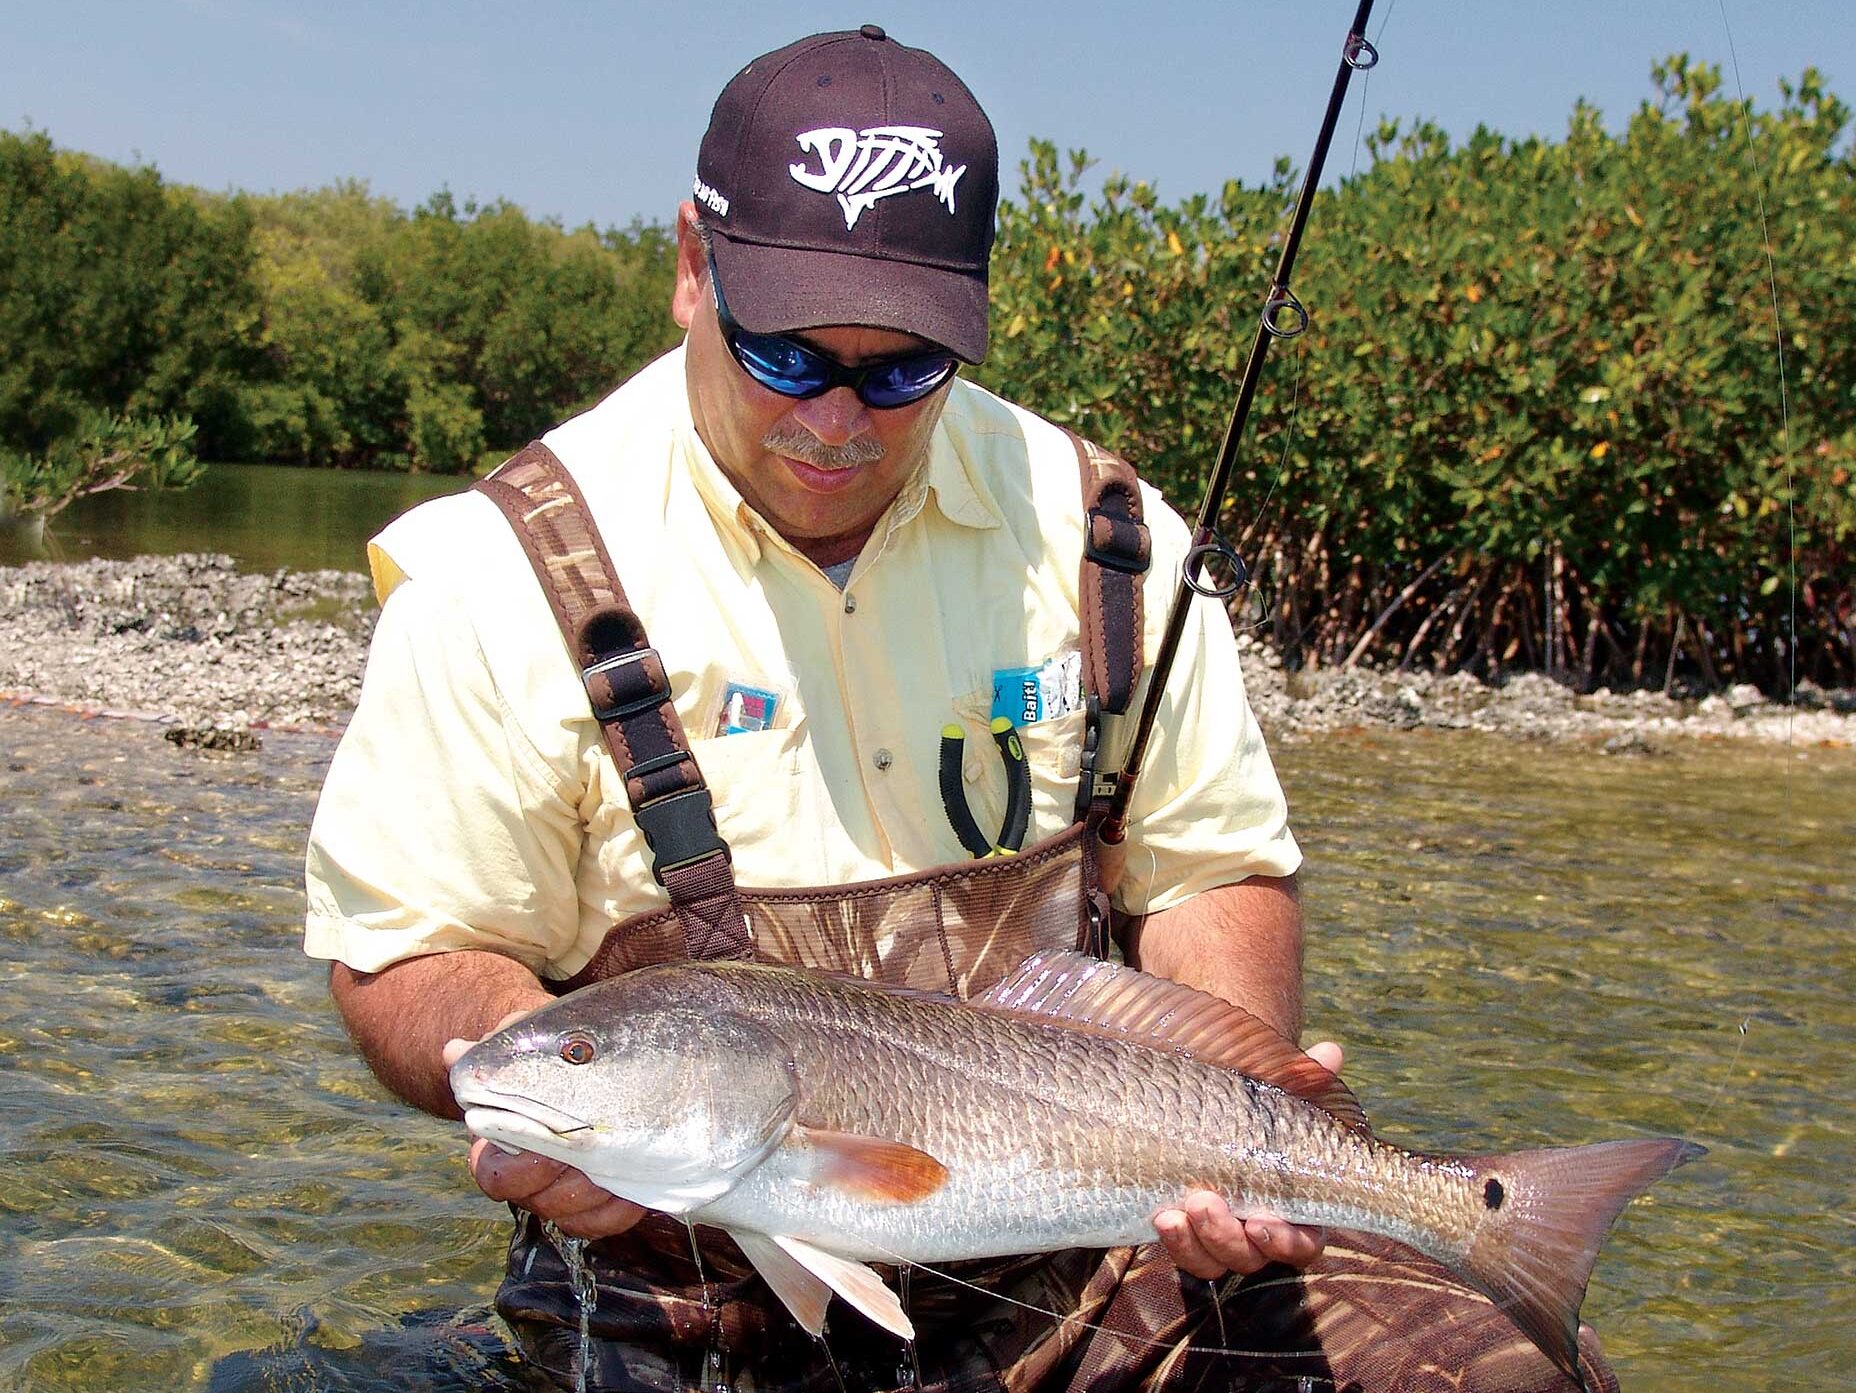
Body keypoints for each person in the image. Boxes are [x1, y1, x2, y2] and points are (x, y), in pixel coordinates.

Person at [305, 26, 1614, 1393]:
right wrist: (551, 1112)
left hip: (1107, 1252)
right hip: (683, 1280)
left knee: (1508, 1373)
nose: (841, 421)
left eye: (905, 369)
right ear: (694, 265)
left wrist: (1243, 1118)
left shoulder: (1108, 537)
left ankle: (1491, 1228)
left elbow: (1214, 863)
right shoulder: (495, 575)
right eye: (788, 356)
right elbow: (404, 950)